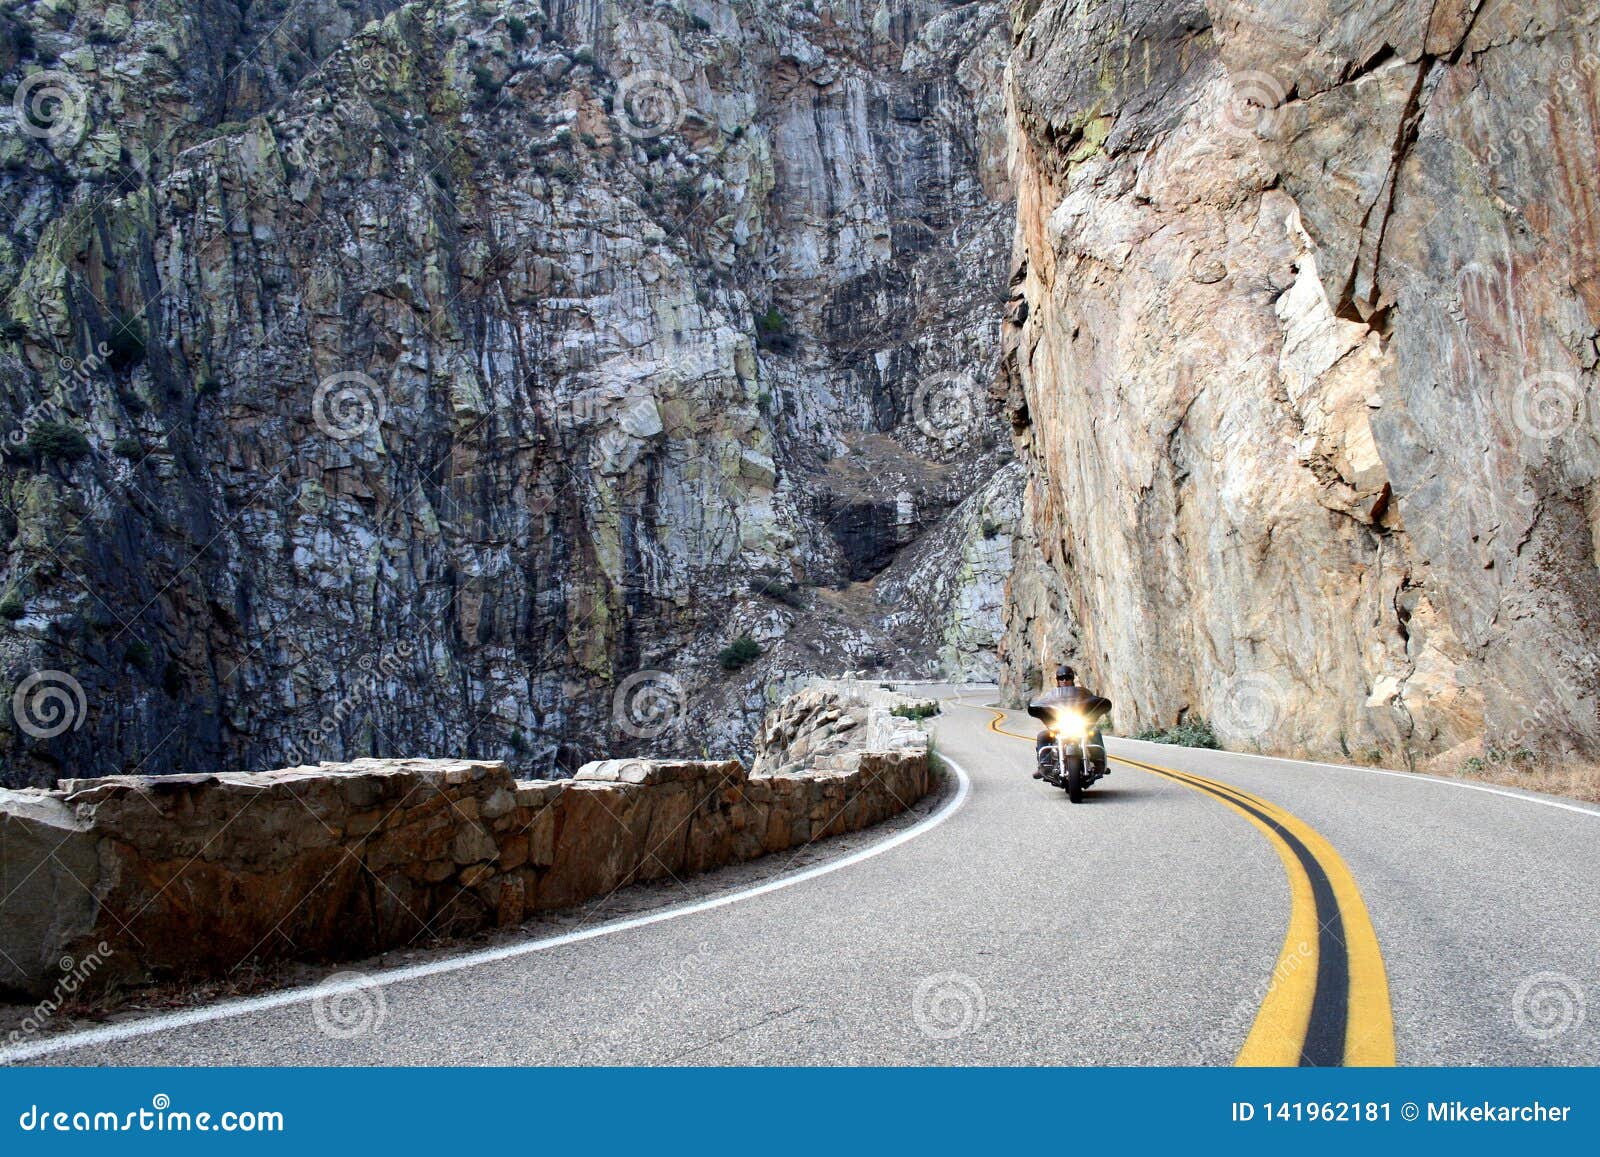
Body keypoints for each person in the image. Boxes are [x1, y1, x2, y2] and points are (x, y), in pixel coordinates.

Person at [1031, 664, 1111, 780]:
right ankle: (1044, 765)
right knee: (1042, 735)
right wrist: (1038, 709)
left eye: (1067, 678)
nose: (1064, 680)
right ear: (1057, 680)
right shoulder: (1051, 695)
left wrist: (1099, 703)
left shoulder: (1082, 693)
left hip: (1079, 724)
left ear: (1072, 679)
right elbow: (1043, 704)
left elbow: (1092, 701)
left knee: (1095, 732)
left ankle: (1099, 763)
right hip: (1059, 726)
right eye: (1061, 678)